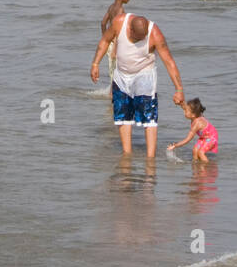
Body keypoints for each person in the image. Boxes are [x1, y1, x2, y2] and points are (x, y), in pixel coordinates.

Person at [89, 12, 185, 158]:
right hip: (121, 76)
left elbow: (169, 61)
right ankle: (127, 154)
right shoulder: (119, 22)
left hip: (144, 76)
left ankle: (150, 157)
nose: (141, 40)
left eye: (143, 38)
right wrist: (95, 63)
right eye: (137, 38)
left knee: (150, 118)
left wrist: (179, 89)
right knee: (122, 116)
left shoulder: (155, 34)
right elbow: (105, 41)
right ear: (130, 30)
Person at [166, 98, 218, 162]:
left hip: (212, 137)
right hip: (203, 137)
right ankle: (196, 166)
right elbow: (185, 106)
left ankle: (207, 167)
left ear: (193, 115)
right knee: (195, 150)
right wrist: (180, 102)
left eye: (186, 111)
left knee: (201, 153)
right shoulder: (195, 115)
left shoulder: (197, 124)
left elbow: (187, 139)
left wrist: (175, 145)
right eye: (185, 110)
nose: (184, 111)